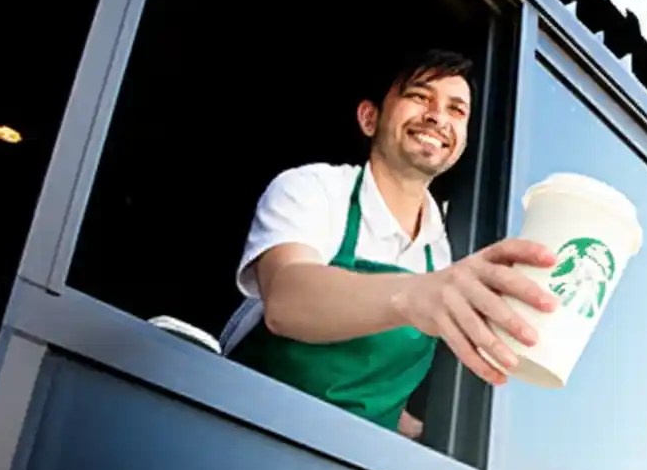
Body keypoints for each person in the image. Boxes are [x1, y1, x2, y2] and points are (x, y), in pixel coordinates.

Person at [223, 49, 558, 439]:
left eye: (456, 109)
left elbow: (368, 388)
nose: (437, 117)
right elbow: (286, 300)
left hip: (359, 467)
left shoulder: (444, 251)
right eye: (419, 96)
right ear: (370, 118)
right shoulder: (313, 189)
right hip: (247, 432)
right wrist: (416, 295)